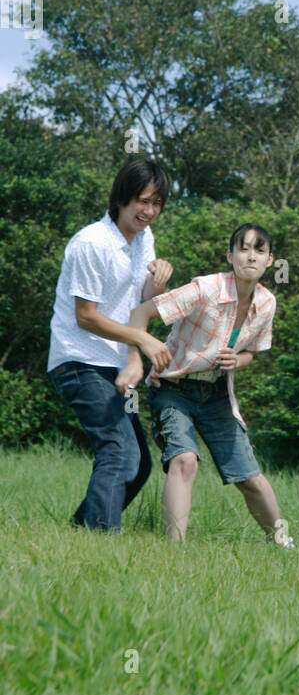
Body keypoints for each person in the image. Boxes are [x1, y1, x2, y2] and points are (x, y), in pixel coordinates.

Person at [125, 223, 294, 550]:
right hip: (173, 387)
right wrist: (141, 351)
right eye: (243, 249)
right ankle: (175, 553)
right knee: (185, 460)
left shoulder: (266, 303)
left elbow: (250, 354)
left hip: (216, 393)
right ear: (229, 255)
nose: (251, 256)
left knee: (250, 478)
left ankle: (283, 544)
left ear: (270, 260)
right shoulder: (205, 289)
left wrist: (237, 361)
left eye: (259, 251)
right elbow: (140, 313)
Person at [47, 158, 174, 532]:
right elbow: (86, 315)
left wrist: (157, 287)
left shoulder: (143, 239)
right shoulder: (91, 244)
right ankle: (101, 540)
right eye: (142, 201)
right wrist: (141, 341)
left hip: (117, 364)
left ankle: (79, 532)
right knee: (118, 452)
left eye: (157, 203)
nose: (149, 211)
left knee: (139, 465)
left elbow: (137, 306)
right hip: (79, 361)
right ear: (121, 198)